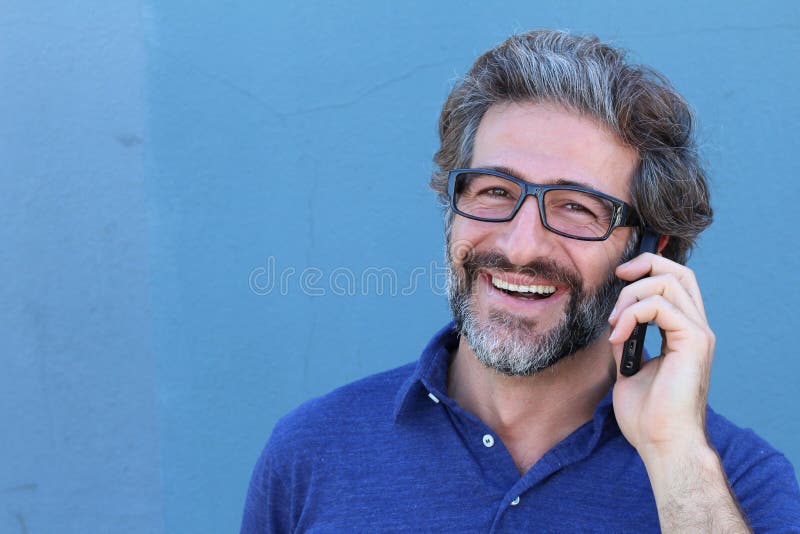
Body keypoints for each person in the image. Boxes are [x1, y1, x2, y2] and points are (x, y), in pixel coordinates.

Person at [241, 30, 800, 532]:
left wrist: (674, 454)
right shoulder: (311, 454)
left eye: (577, 207)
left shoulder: (739, 486)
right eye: (494, 192)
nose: (519, 246)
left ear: (651, 251)